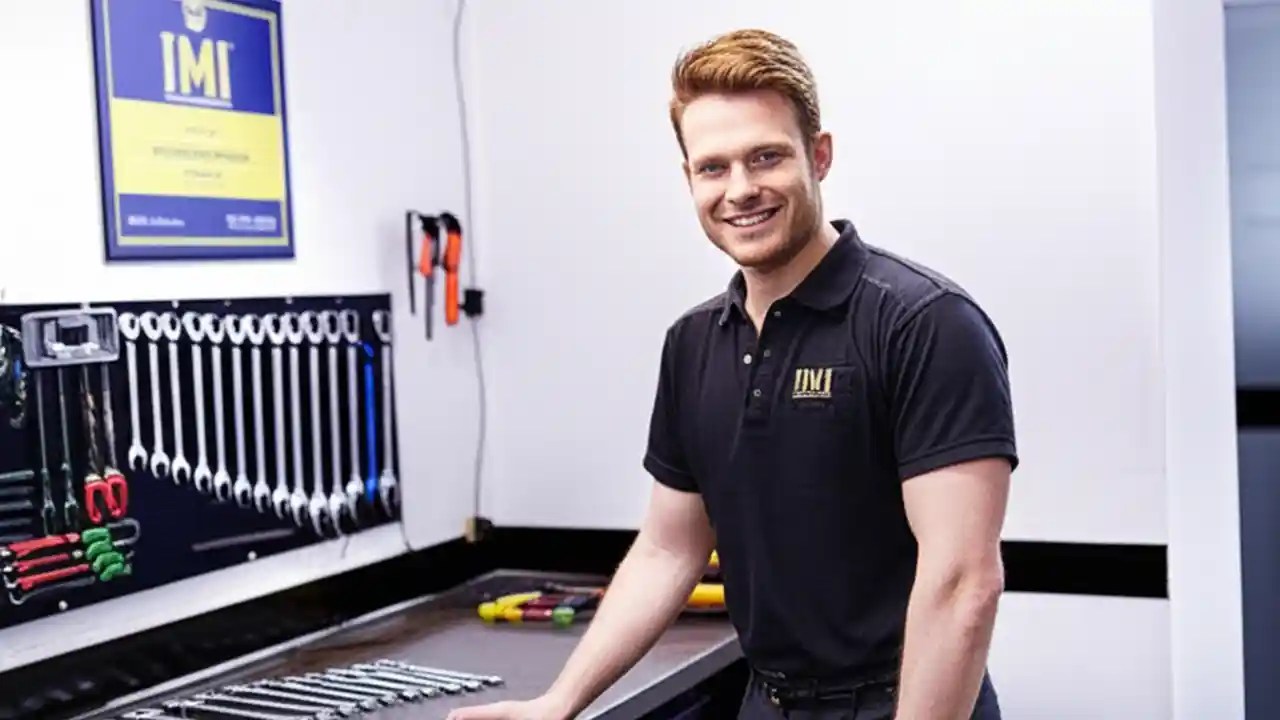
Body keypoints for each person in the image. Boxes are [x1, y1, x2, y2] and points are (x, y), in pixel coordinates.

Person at [447, 28, 1017, 720]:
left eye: (766, 157)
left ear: (821, 156)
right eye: (713, 167)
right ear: (688, 178)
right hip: (763, 702)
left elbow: (963, 583)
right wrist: (559, 703)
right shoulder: (691, 344)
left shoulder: (923, 322)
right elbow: (667, 551)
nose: (741, 190)